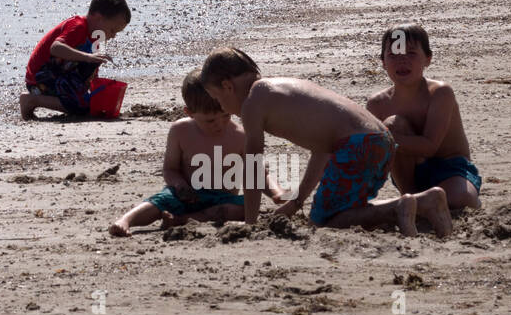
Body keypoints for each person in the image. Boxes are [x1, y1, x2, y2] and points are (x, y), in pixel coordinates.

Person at [200, 47, 451, 236]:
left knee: (325, 221)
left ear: (227, 86)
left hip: (358, 145)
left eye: (216, 98)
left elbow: (253, 163)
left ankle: (398, 207)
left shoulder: (253, 102)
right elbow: (322, 151)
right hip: (380, 141)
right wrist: (297, 201)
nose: (221, 107)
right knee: (343, 209)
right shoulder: (284, 89)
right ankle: (423, 201)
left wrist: (250, 223)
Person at [108, 70, 284, 236]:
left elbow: (257, 171)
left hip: (221, 199)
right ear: (190, 113)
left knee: (246, 206)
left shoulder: (240, 136)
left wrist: (276, 192)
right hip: (185, 195)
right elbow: (170, 169)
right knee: (159, 201)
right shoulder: (180, 131)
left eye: (226, 116)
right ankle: (126, 221)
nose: (219, 124)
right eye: (210, 120)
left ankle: (184, 220)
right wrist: (180, 186)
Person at [367, 24, 481, 212]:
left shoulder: (440, 93)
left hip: (450, 168)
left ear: (428, 59)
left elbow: (430, 146)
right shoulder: (377, 104)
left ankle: (415, 203)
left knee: (461, 199)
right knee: (393, 123)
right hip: (409, 174)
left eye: (411, 53)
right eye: (394, 55)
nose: (402, 61)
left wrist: (383, 139)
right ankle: (410, 196)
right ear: (383, 62)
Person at [20, 0, 130, 120]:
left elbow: (89, 69)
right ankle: (31, 100)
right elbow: (56, 48)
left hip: (62, 75)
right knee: (81, 107)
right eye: (112, 30)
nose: (113, 36)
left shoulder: (95, 37)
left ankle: (73, 97)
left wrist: (93, 87)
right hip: (41, 78)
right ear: (98, 18)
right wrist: (88, 57)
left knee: (90, 100)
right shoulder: (77, 26)